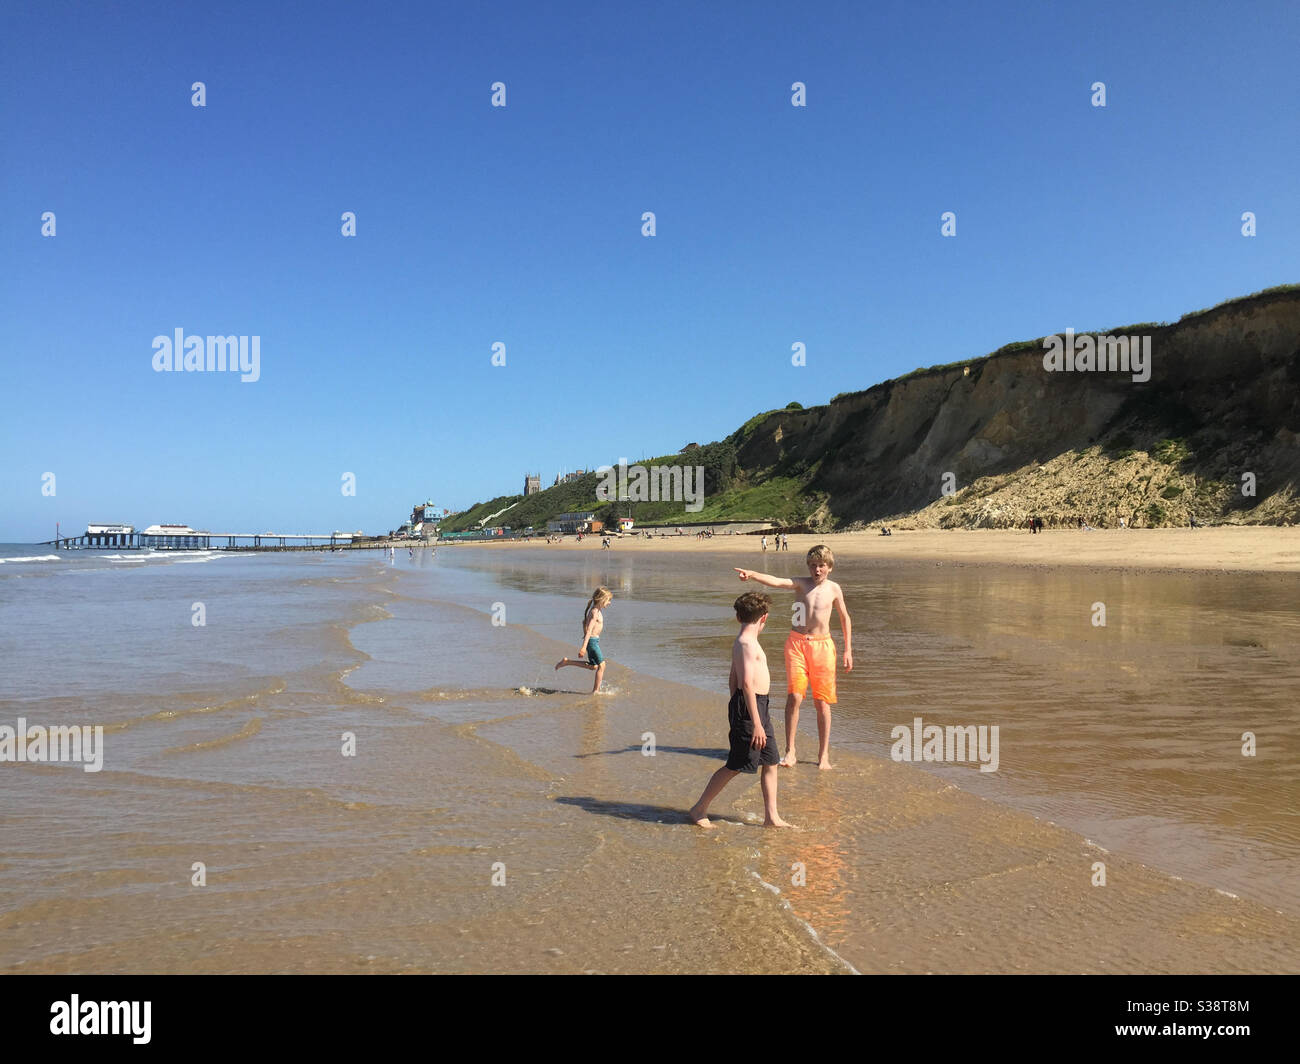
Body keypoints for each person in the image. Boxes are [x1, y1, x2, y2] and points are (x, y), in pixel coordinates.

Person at [736, 545, 852, 770]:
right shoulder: (801, 583)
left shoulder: (834, 589)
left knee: (822, 702)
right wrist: (752, 574)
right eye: (812, 565)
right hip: (796, 644)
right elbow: (776, 581)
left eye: (821, 566)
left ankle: (823, 754)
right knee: (795, 697)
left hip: (823, 648)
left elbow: (845, 618)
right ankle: (790, 751)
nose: (816, 570)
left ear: (829, 567)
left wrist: (848, 650)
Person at [688, 591, 789, 828]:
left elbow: (732, 678)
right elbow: (745, 683)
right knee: (736, 764)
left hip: (758, 706)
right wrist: (754, 722)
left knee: (771, 761)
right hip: (750, 709)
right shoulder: (744, 643)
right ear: (764, 618)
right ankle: (699, 809)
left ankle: (771, 817)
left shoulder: (748, 641)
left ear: (738, 617)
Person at [555, 586, 612, 693]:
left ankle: (567, 662)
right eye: (608, 600)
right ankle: (596, 691)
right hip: (592, 642)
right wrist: (584, 647)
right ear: (602, 599)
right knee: (602, 665)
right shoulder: (594, 612)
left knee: (593, 666)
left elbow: (586, 625)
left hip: (594, 641)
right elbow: (589, 630)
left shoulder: (597, 611)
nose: (609, 603)